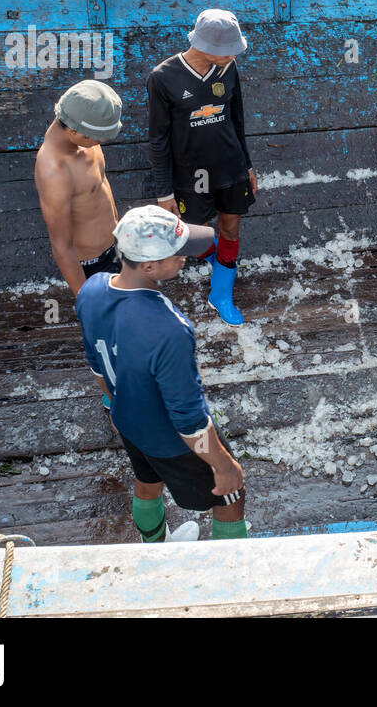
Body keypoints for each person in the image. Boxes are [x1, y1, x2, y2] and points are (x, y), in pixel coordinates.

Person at [76, 205, 248, 543]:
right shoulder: (169, 329)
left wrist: (115, 405)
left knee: (147, 482)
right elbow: (189, 421)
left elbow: (96, 364)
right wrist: (224, 466)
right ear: (150, 266)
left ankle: (154, 548)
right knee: (232, 497)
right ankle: (230, 573)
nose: (185, 257)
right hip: (171, 440)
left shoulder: (91, 291)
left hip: (126, 419)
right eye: (177, 253)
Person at [148, 9, 258, 326]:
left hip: (231, 168)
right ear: (206, 47)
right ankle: (215, 255)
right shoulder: (162, 77)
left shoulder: (229, 69)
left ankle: (221, 295)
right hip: (190, 175)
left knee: (231, 228)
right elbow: (158, 140)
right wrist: (163, 192)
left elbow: (237, 119)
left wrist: (247, 165)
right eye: (228, 51)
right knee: (187, 235)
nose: (233, 56)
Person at [34, 80, 124, 299]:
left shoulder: (84, 134)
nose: (103, 141)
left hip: (118, 246)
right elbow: (62, 247)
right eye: (99, 137)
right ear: (75, 132)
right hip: (96, 267)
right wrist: (86, 300)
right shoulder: (54, 171)